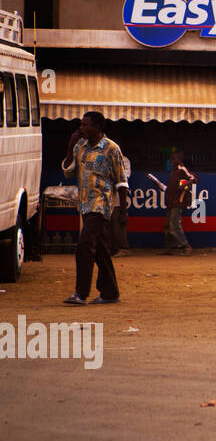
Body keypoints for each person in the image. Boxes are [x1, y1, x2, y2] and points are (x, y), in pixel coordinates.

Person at [60, 111, 128, 305]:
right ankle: (110, 293)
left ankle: (81, 293)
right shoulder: (80, 146)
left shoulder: (111, 149)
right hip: (84, 204)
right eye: (81, 125)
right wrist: (70, 146)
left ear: (97, 127)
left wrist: (123, 210)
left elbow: (121, 182)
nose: (81, 128)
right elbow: (67, 171)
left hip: (100, 204)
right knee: (100, 250)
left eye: (85, 125)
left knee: (84, 246)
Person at [164, 150, 197, 256]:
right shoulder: (173, 172)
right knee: (168, 226)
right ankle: (170, 248)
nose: (171, 161)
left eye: (173, 159)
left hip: (178, 201)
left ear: (179, 160)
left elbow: (194, 179)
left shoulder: (182, 169)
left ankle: (186, 247)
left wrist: (184, 185)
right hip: (170, 201)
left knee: (174, 225)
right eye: (171, 159)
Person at [110, 152, 132, 257]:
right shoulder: (104, 158)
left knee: (118, 223)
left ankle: (123, 248)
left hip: (118, 199)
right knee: (108, 225)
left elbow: (125, 175)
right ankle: (113, 248)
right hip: (105, 199)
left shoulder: (124, 160)